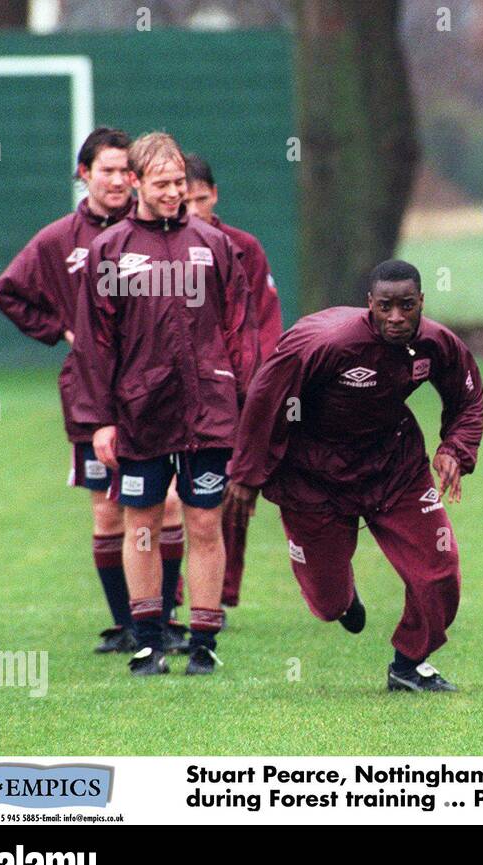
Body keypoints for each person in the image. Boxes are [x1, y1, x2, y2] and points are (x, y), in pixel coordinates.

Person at [225, 259, 483, 693]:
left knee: (439, 571)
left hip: (395, 468)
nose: (397, 317)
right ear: (370, 305)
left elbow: (468, 396)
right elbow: (266, 396)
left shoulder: (437, 344)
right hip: (313, 478)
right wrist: (247, 474)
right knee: (326, 603)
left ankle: (410, 662)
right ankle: (344, 599)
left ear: (422, 301)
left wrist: (454, 449)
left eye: (407, 306)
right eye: (386, 307)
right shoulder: (328, 343)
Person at [0, 127, 187, 655]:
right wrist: (61, 329)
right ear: (85, 175)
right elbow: (6, 291)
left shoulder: (153, 231)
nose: (119, 180)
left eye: (127, 170)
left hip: (154, 392)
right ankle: (127, 625)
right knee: (108, 508)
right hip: (91, 392)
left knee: (167, 504)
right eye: (107, 170)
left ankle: (164, 619)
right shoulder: (58, 240)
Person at [74, 131, 258, 676]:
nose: (176, 192)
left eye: (180, 182)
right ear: (135, 183)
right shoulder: (111, 252)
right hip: (139, 412)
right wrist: (100, 420)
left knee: (205, 525)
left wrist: (243, 403)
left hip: (210, 410)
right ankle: (148, 640)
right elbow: (95, 343)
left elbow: (240, 330)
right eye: (163, 183)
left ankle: (203, 643)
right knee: (142, 526)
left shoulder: (215, 246)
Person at [183, 152, 285, 612]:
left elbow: (265, 326)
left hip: (231, 395)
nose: (191, 211)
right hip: (171, 395)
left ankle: (219, 594)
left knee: (233, 492)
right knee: (162, 501)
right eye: (183, 201)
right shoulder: (145, 252)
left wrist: (256, 390)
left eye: (199, 200)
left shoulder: (244, 248)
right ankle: (167, 595)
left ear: (214, 195)